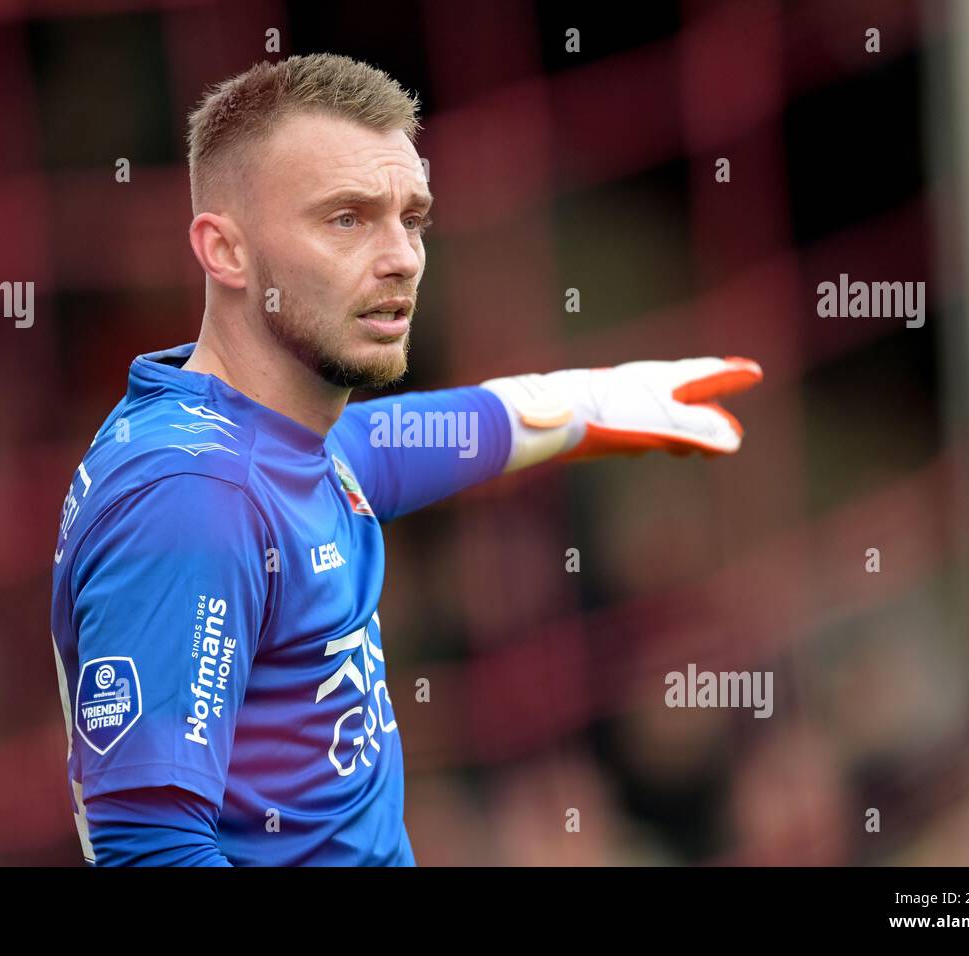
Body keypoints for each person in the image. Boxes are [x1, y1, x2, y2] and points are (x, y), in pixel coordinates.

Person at [48, 53, 762, 866]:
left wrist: (590, 405)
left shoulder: (269, 440)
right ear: (227, 252)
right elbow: (152, 852)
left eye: (411, 218)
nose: (402, 258)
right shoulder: (196, 502)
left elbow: (400, 443)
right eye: (347, 218)